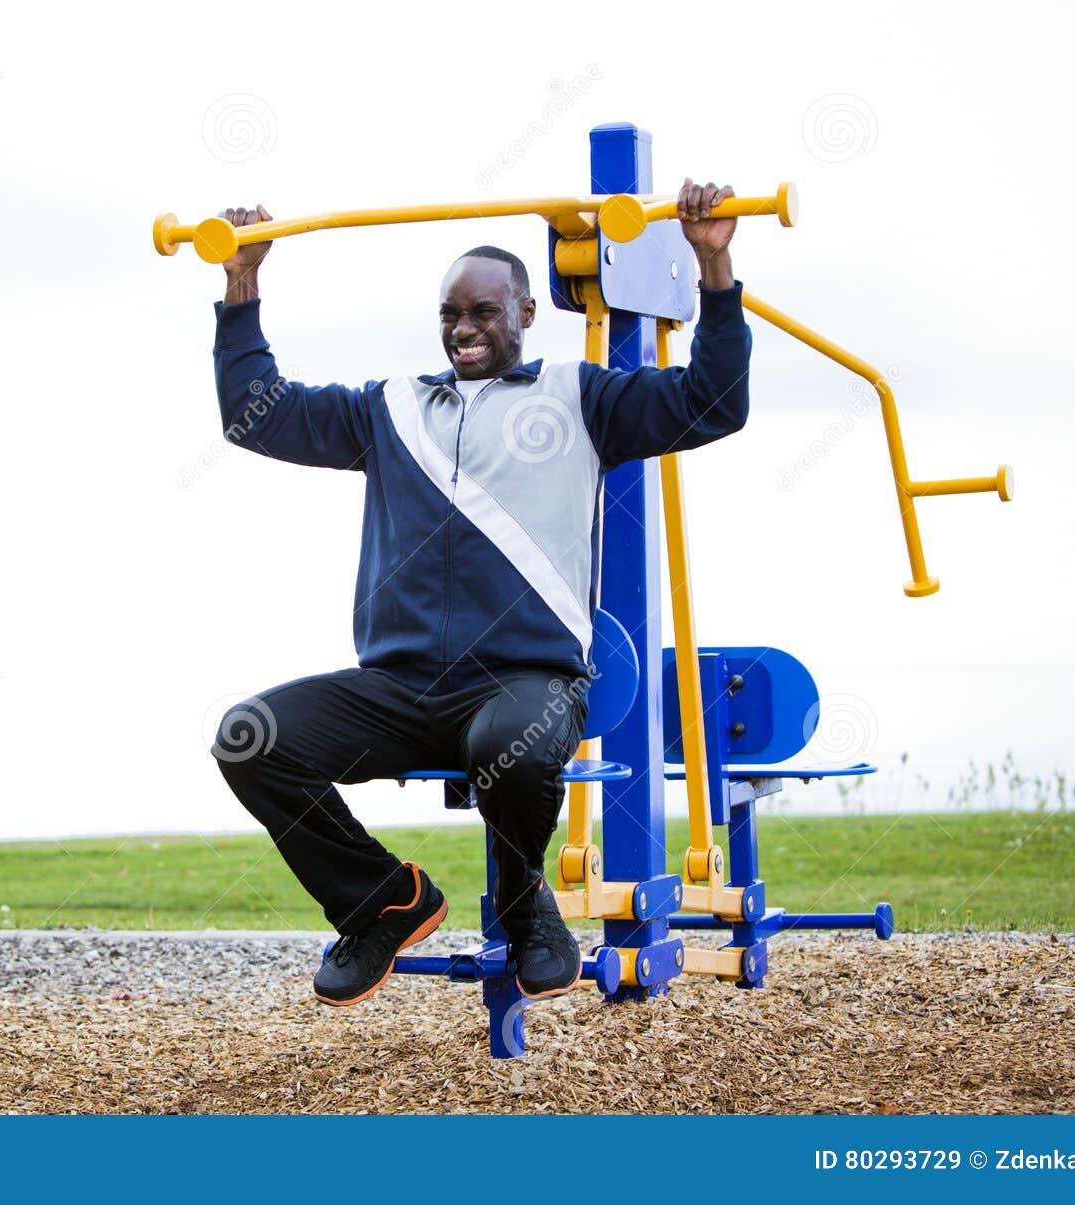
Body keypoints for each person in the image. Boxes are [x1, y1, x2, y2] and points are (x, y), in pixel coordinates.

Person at [208, 181, 751, 1006]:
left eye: (484, 313)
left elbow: (713, 404)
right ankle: (380, 902)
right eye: (450, 314)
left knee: (514, 738)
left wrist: (714, 267)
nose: (464, 330)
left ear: (526, 312)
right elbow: (256, 415)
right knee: (249, 738)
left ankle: (525, 898)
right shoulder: (389, 409)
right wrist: (242, 283)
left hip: (527, 680)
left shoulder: (581, 397)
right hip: (401, 687)